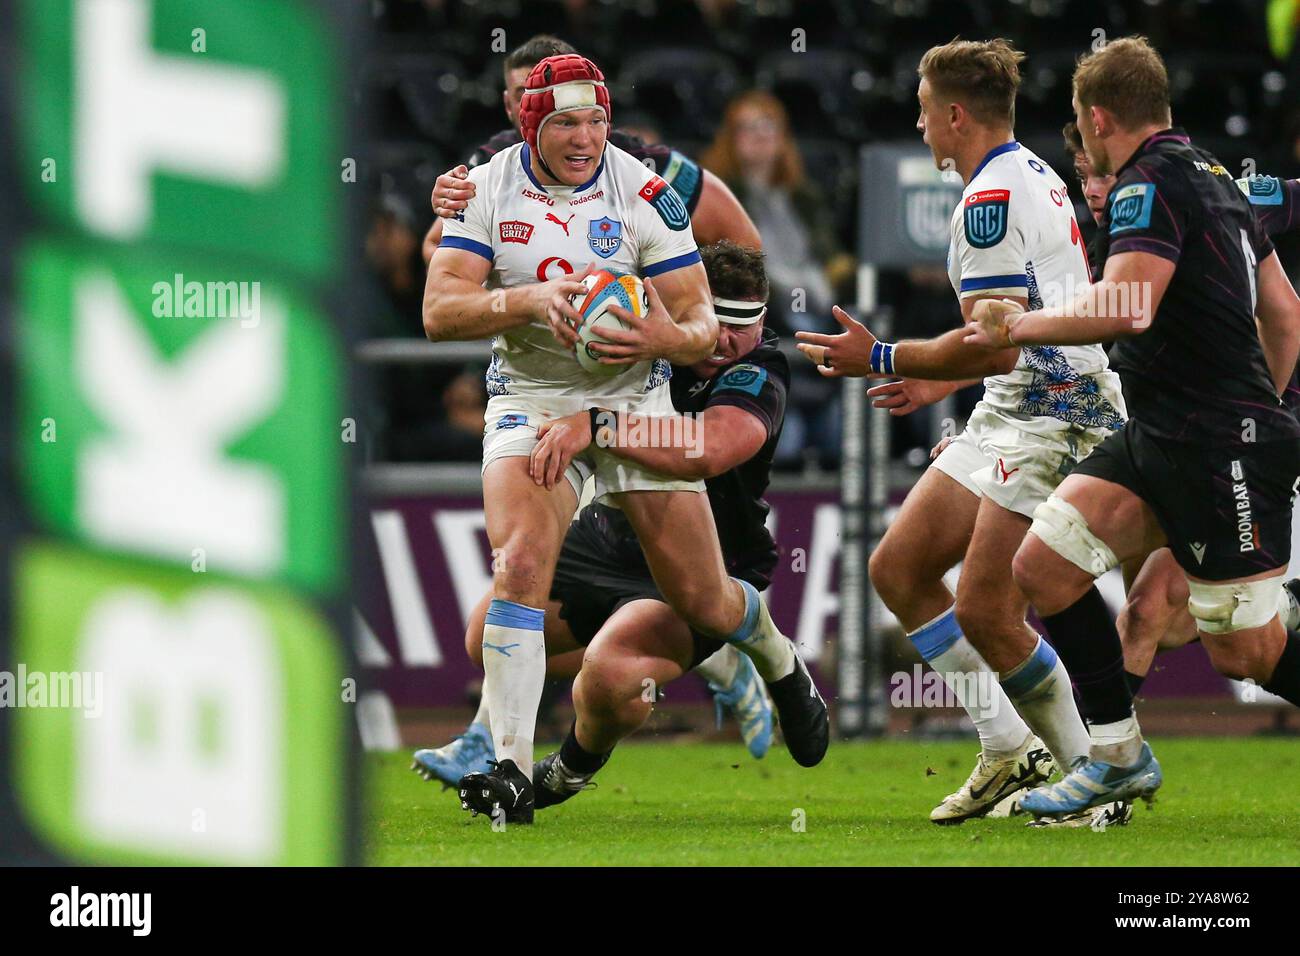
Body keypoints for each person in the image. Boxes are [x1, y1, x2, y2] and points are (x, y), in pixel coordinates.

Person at [424, 53, 826, 825]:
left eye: (597, 120)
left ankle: (773, 656)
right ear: (528, 122)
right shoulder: (484, 189)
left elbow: (703, 325)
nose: (584, 138)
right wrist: (532, 300)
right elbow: (440, 310)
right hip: (533, 399)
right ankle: (508, 768)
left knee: (703, 597)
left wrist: (661, 336)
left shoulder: (646, 194)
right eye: (566, 122)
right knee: (518, 564)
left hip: (635, 398)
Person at [796, 38, 1136, 825]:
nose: (919, 128)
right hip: (1020, 399)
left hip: (1055, 410)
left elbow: (988, 337)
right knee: (900, 568)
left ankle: (1094, 780)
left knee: (987, 608)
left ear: (954, 115)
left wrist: (876, 355)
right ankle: (1011, 749)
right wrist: (941, 377)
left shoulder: (987, 204)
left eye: (922, 112)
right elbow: (1009, 334)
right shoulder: (1034, 172)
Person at [964, 37, 1300, 817]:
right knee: (1042, 566)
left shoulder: (1145, 185)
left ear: (1099, 116)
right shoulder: (1218, 177)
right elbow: (1284, 313)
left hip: (1217, 447)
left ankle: (1114, 750)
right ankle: (1116, 755)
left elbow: (1128, 305)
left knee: (1245, 651)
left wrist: (1021, 325)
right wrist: (1270, 405)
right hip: (1162, 432)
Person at [441, 242, 796, 809]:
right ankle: (713, 662)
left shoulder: (759, 370)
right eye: (715, 320)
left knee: (608, 681)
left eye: (743, 325)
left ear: (763, 323)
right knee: (485, 635)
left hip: (712, 559)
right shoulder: (636, 329)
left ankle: (570, 766)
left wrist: (599, 425)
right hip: (611, 541)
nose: (726, 340)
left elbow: (708, 447)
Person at [422, 35, 760, 264]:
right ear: (508, 104)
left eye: (543, 92)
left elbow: (745, 245)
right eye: (521, 93)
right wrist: (508, 299)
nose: (530, 104)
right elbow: (436, 246)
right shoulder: (489, 164)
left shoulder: (643, 164)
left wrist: (698, 318)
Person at [701, 90, 854, 467]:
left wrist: (827, 279)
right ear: (732, 137)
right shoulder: (720, 192)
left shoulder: (803, 196)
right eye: (749, 128)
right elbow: (730, 264)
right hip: (757, 309)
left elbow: (833, 259)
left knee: (837, 425)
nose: (760, 136)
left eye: (768, 127)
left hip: (815, 304)